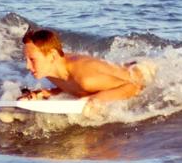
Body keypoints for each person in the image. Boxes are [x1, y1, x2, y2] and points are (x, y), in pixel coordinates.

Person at [19, 28, 148, 107]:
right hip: (120, 70)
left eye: (32, 59)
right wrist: (45, 93)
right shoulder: (49, 70)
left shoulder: (87, 79)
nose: (27, 66)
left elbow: (134, 86)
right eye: (26, 59)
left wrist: (94, 100)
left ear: (52, 56)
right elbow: (70, 85)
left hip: (144, 72)